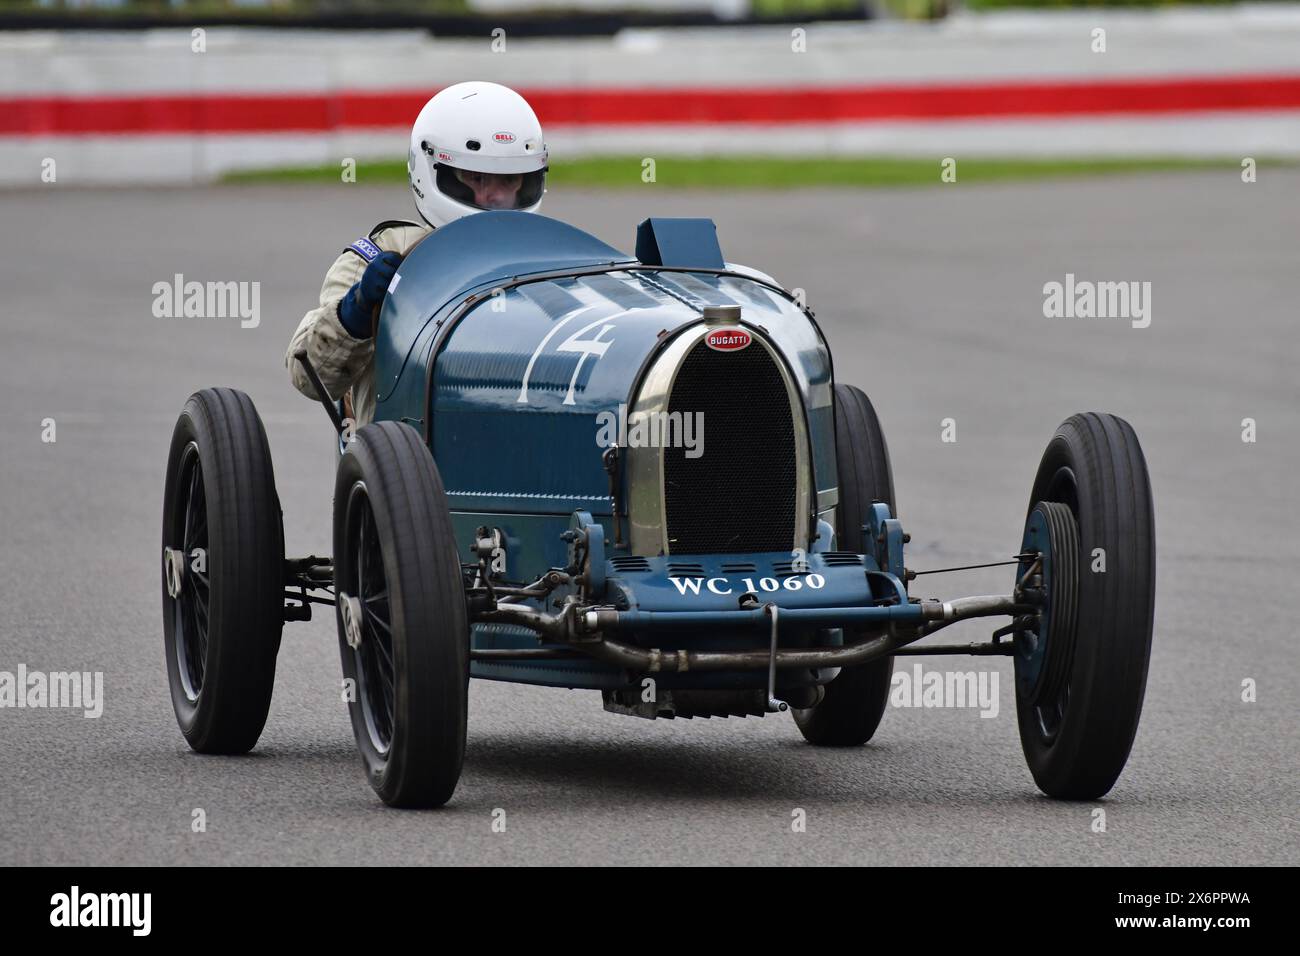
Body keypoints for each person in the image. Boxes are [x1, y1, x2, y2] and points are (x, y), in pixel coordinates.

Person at [285, 81, 549, 426]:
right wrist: (358, 310)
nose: (494, 197)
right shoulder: (379, 256)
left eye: (509, 181)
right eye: (476, 178)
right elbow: (310, 377)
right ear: (434, 169)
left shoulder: (550, 256)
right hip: (404, 458)